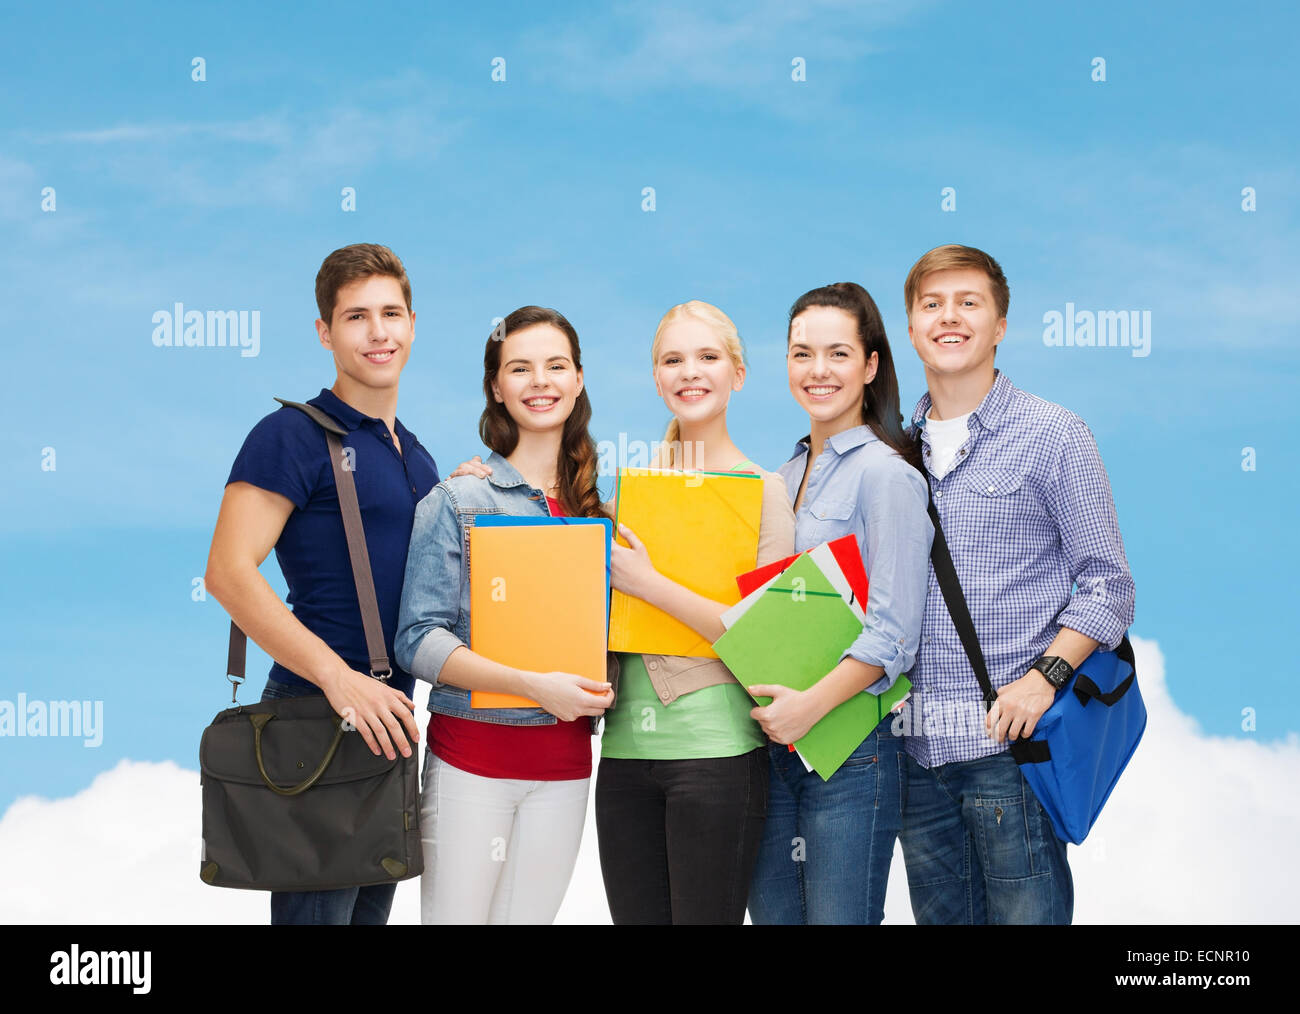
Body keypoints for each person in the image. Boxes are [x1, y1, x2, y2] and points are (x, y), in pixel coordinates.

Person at [897, 244, 1135, 925]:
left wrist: (1044, 678)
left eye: (969, 303)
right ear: (911, 327)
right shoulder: (889, 450)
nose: (950, 318)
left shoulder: (1055, 435)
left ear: (999, 325)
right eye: (932, 305)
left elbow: (1109, 585)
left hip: (1011, 753)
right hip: (916, 758)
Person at [204, 243, 438, 925]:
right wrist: (340, 680)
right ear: (325, 333)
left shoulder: (416, 456)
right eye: (356, 316)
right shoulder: (290, 436)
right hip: (318, 714)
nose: (378, 332)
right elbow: (227, 572)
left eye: (391, 313)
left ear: (414, 324)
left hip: (391, 725)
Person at [394, 306, 615, 925]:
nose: (539, 381)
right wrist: (530, 686)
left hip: (567, 768)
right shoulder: (459, 499)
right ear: (497, 386)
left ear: (578, 380)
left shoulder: (609, 509)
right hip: (472, 763)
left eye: (556, 366)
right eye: (520, 368)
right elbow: (416, 639)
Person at [597, 300, 794, 924]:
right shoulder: (624, 497)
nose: (690, 372)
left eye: (708, 357)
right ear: (657, 379)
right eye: (673, 359)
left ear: (737, 373)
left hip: (717, 754)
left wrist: (649, 584)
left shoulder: (766, 493)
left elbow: (764, 638)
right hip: (624, 756)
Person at [746, 282, 932, 925]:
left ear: (871, 365)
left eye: (837, 354)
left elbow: (894, 634)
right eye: (801, 354)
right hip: (772, 743)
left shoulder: (887, 475)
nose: (817, 371)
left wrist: (810, 708)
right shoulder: (782, 476)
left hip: (852, 749)